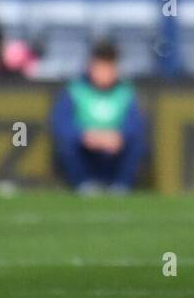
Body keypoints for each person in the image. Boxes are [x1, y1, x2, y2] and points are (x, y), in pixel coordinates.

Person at [50, 39, 148, 193]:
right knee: (67, 141)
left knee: (137, 141)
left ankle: (121, 186)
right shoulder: (75, 90)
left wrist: (119, 136)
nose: (105, 72)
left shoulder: (126, 92)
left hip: (114, 150)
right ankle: (83, 184)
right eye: (101, 66)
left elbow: (135, 125)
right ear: (91, 66)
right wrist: (85, 135)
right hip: (87, 149)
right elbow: (61, 124)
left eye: (109, 66)